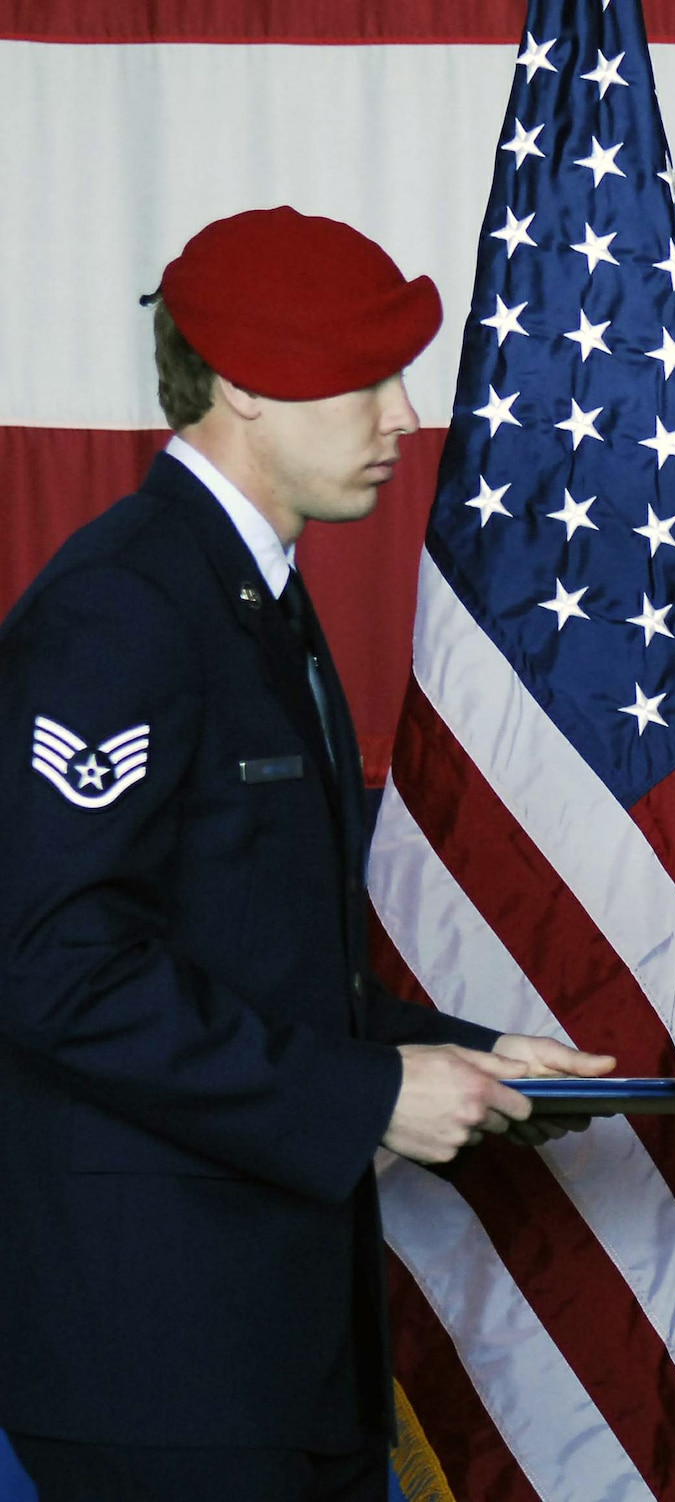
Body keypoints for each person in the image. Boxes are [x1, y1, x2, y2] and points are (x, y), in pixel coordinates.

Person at [0, 207, 614, 1502]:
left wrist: (453, 1052)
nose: (402, 415)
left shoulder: (252, 598)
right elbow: (51, 963)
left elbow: (252, 959)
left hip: (265, 1340)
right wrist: (362, 1097)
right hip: (162, 1351)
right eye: (365, 373)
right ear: (238, 383)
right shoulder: (125, 604)